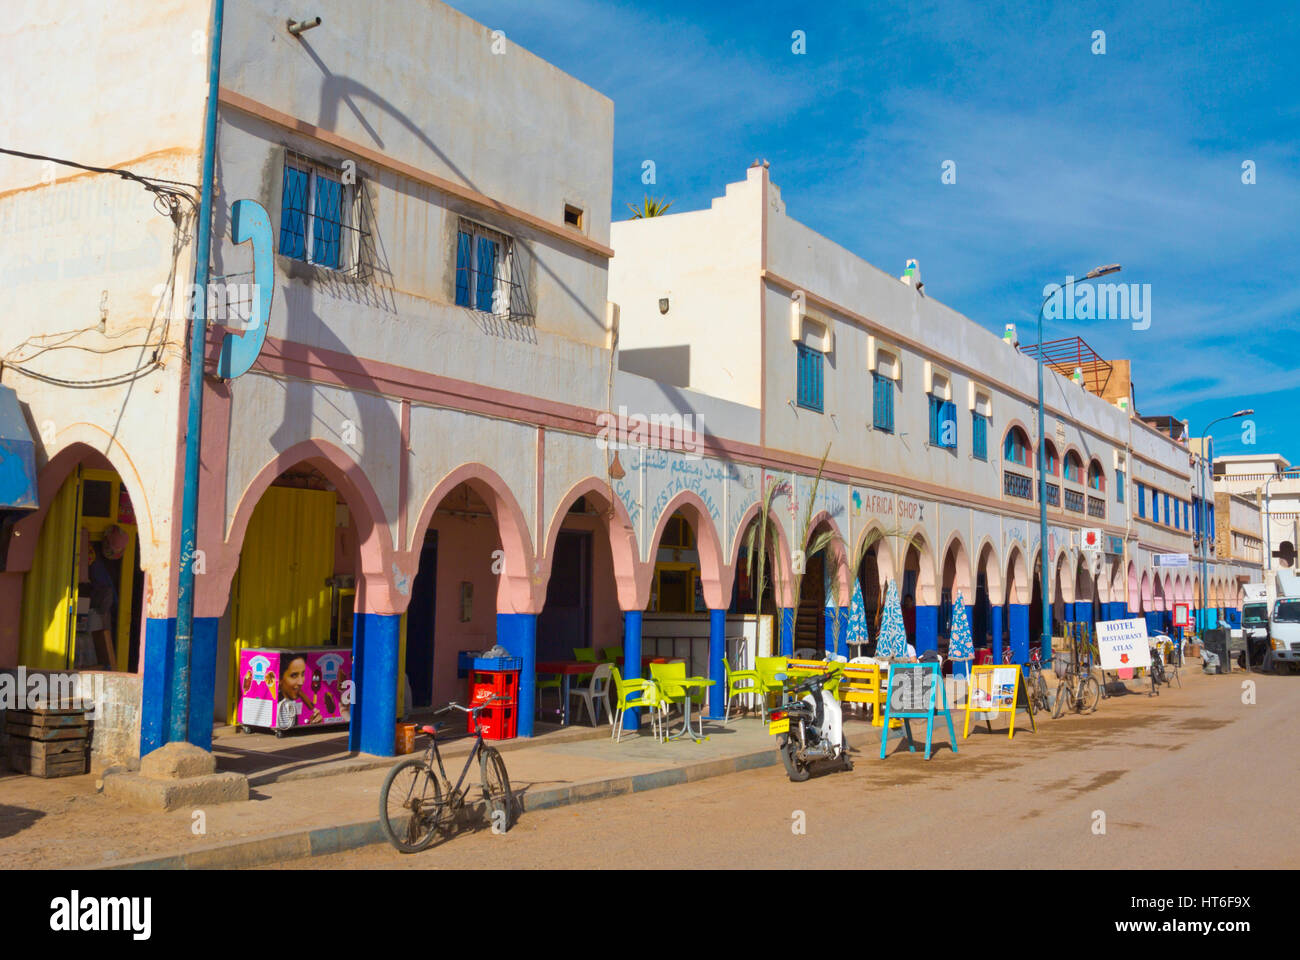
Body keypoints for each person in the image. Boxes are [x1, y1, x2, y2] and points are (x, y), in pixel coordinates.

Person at [276, 654, 322, 729]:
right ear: (280, 678)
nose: (301, 682)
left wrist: (312, 722)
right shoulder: (277, 705)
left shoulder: (299, 704)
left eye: (303, 674)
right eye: (294, 675)